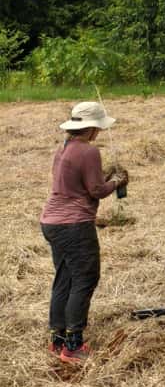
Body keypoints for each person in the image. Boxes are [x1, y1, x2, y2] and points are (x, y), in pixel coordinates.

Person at [40, 101, 129, 364]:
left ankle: (57, 339)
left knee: (64, 277)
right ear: (91, 128)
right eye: (98, 128)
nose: (99, 132)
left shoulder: (63, 147)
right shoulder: (89, 151)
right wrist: (117, 181)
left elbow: (77, 182)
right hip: (74, 225)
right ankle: (73, 345)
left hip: (52, 222)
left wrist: (104, 177)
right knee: (85, 278)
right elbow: (96, 190)